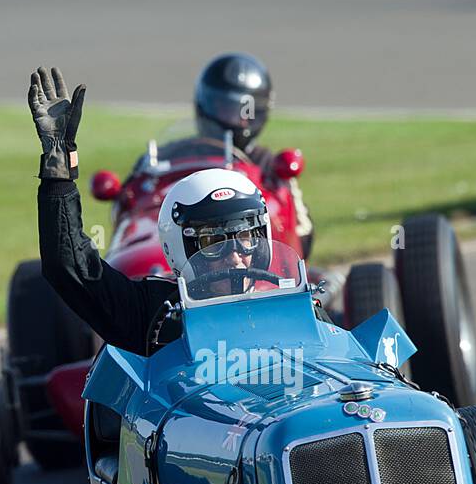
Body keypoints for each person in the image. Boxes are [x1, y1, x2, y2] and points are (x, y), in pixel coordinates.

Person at [29, 66, 310, 358]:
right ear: (181, 248)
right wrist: (58, 168)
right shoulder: (154, 316)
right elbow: (69, 266)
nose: (236, 255)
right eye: (214, 244)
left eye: (246, 237)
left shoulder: (291, 302)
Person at [193, 53, 314, 259]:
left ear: (257, 112)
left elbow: (303, 237)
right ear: (208, 106)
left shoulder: (267, 164)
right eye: (225, 108)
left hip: (247, 259)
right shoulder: (186, 156)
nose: (238, 120)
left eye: (244, 111)